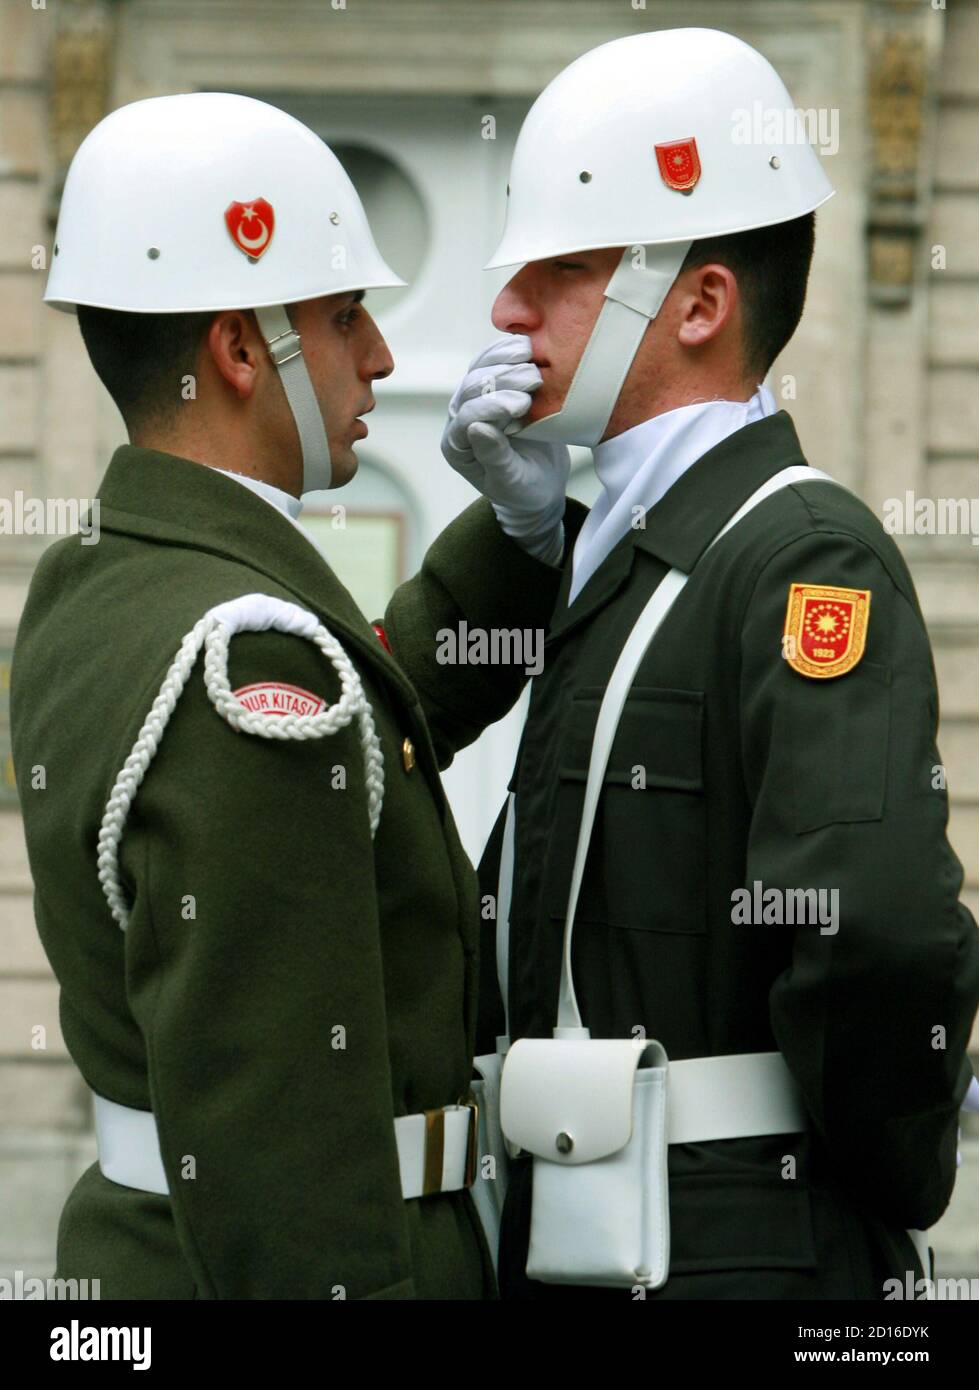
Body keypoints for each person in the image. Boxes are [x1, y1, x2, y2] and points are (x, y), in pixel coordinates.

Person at [442, 29, 979, 1299]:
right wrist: (532, 540)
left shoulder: (804, 553)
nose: (506, 313)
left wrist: (885, 1182)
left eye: (558, 273)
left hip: (740, 1254)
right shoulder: (618, 552)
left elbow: (877, 929)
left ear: (696, 303)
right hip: (588, 1233)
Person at [10, 91, 572, 1299]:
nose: (379, 353)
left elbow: (359, 730)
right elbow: (282, 1136)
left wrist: (521, 540)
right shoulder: (244, 656)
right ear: (235, 348)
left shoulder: (104, 575)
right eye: (343, 314)